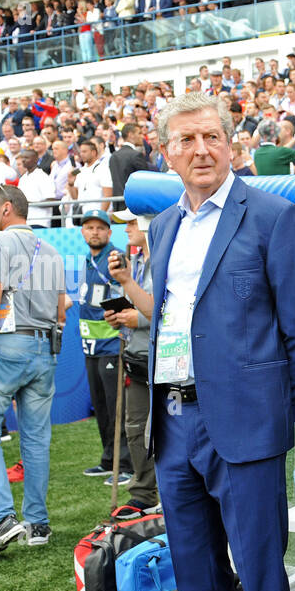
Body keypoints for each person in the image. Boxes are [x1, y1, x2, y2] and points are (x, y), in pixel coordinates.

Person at [147, 93, 295, 591]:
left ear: (232, 145)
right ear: (168, 153)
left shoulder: (272, 217)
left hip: (246, 424)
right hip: (172, 421)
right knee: (194, 562)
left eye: (210, 137)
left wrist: (279, 408)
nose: (199, 149)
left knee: (257, 565)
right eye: (185, 140)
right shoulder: (162, 227)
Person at [0, 184, 67, 557]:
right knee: (37, 438)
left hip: (7, 347)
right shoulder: (53, 250)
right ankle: (37, 523)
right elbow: (62, 309)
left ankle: (3, 520)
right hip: (45, 347)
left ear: (7, 208)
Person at [106, 209, 159, 515]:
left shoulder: (166, 258)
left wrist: (135, 317)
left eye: (131, 222)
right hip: (135, 356)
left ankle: (168, 491)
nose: (126, 229)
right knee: (135, 427)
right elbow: (131, 305)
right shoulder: (135, 261)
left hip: (166, 360)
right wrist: (117, 317)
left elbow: (169, 310)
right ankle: (143, 492)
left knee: (167, 430)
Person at [76, 209, 133, 485]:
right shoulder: (88, 259)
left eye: (100, 228)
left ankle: (125, 464)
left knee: (117, 407)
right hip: (92, 345)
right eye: (89, 227)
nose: (94, 232)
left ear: (110, 232)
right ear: (82, 232)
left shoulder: (115, 257)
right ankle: (108, 459)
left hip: (113, 343)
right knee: (101, 405)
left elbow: (125, 294)